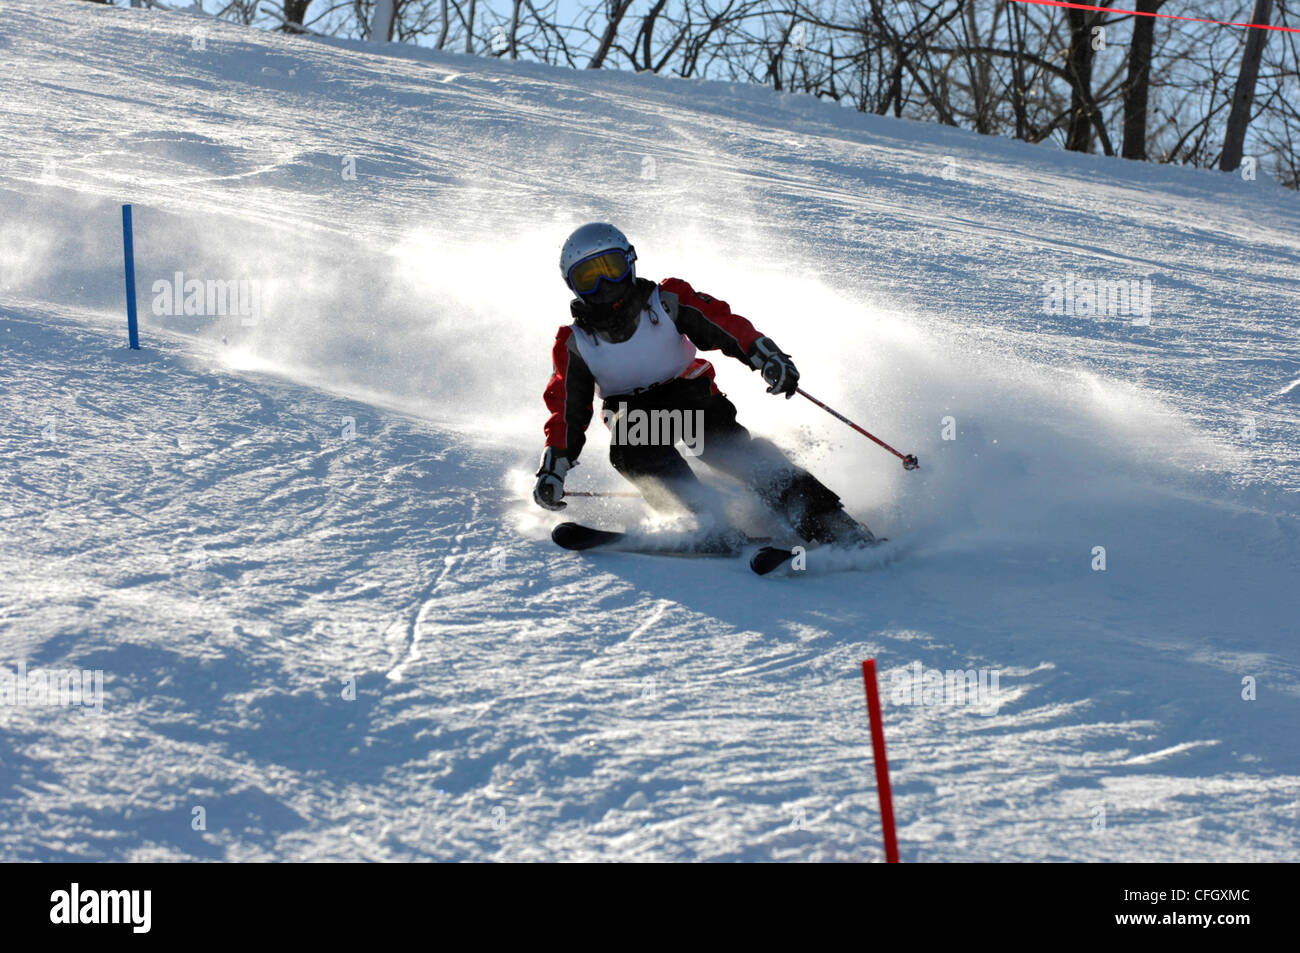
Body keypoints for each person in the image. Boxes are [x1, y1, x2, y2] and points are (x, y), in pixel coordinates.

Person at [532, 222, 875, 547]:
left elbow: (722, 325)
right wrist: (555, 468)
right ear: (573, 286)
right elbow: (566, 411)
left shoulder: (666, 301)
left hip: (689, 397)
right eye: (589, 277)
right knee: (632, 450)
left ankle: (827, 520)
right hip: (632, 413)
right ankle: (702, 519)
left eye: (611, 267)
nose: (604, 285)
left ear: (630, 262)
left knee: (726, 449)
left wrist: (764, 355)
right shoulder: (574, 343)